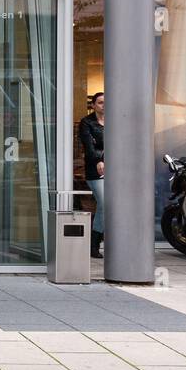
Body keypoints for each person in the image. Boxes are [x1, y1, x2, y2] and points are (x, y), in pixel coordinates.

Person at [78, 91, 105, 259]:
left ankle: (97, 241)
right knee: (105, 203)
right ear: (93, 105)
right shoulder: (86, 122)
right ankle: (93, 243)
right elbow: (89, 147)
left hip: (117, 169)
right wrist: (99, 160)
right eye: (101, 102)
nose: (104, 105)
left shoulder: (116, 120)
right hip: (95, 170)